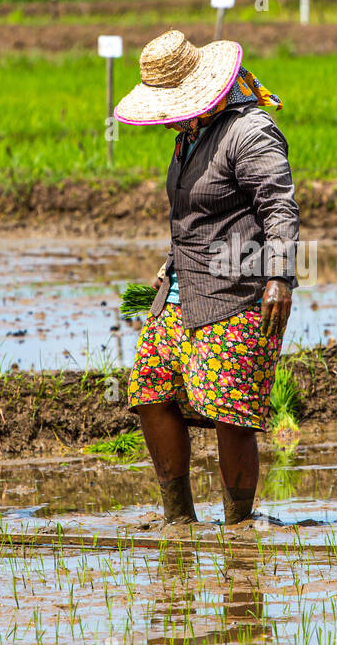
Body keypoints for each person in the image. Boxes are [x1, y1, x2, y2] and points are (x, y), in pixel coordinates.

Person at [115, 30, 298, 527]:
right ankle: (180, 519)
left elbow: (278, 207)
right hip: (180, 291)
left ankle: (238, 525)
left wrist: (279, 277)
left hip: (237, 293)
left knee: (229, 415)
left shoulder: (249, 131)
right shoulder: (189, 136)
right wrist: (170, 258)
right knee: (150, 396)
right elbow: (195, 215)